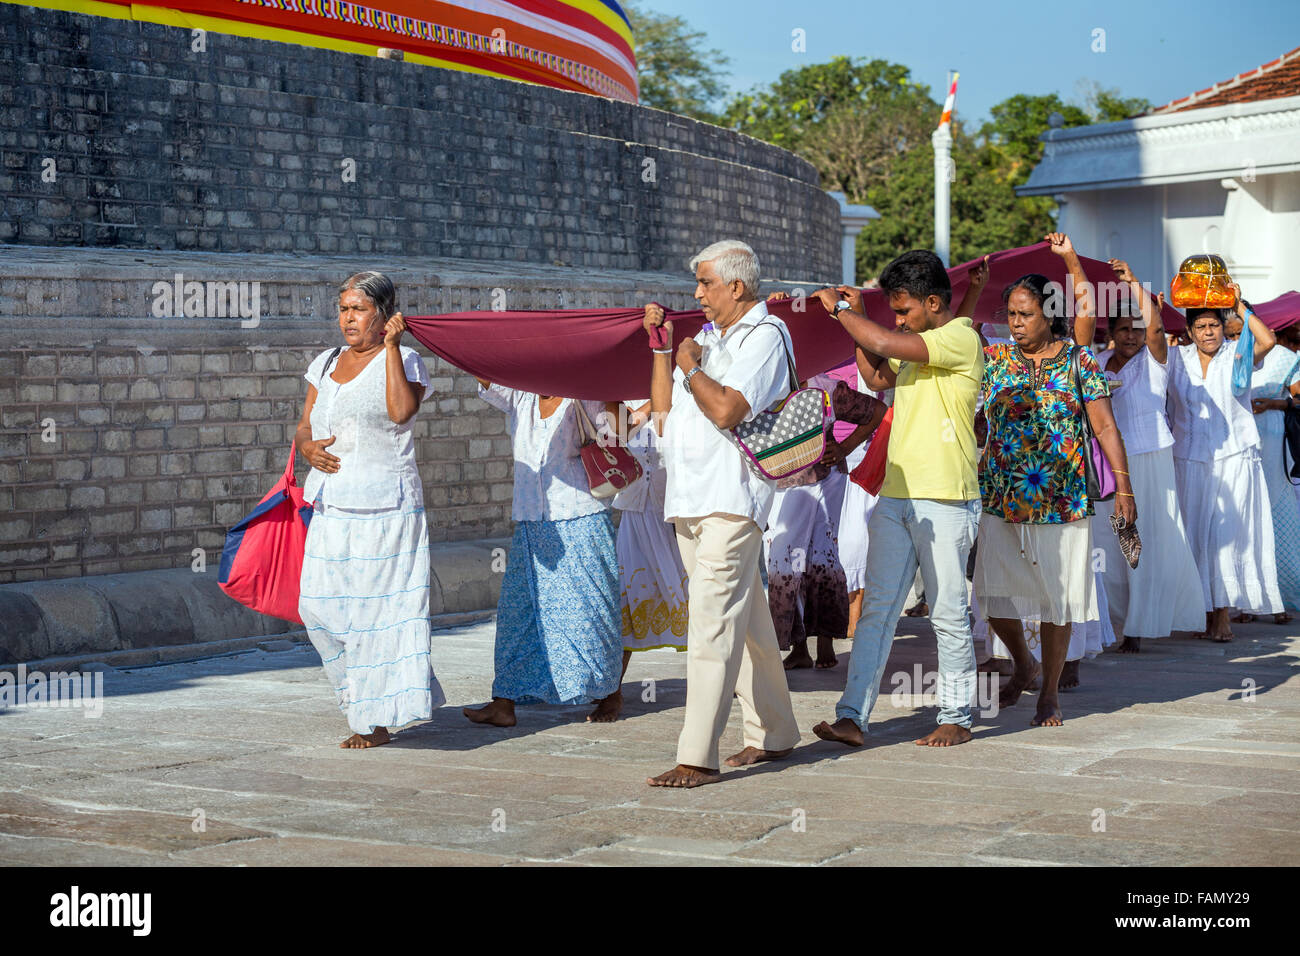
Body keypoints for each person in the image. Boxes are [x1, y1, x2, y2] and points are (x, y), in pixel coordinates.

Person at [643, 239, 802, 788]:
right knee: (749, 622)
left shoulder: (766, 336)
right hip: (692, 497)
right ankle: (775, 732)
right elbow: (663, 413)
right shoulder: (709, 339)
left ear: (736, 286)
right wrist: (666, 354)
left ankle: (696, 754)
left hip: (733, 501)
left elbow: (729, 408)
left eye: (706, 283)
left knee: (711, 624)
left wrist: (690, 366)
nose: (697, 294)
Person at [810, 249, 984, 750]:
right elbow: (877, 375)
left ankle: (956, 716)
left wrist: (843, 311)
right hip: (898, 495)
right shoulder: (922, 343)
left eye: (905, 309)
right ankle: (851, 718)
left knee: (948, 612)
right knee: (878, 610)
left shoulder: (959, 337)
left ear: (934, 302)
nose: (900, 319)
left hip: (946, 499)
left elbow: (883, 341)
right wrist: (857, 316)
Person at [973, 261, 1135, 728]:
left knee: (1057, 597)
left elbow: (1104, 426)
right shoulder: (996, 360)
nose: (1015, 322)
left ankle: (1048, 692)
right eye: (1011, 314)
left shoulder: (1079, 360)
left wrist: (1124, 487)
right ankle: (1023, 662)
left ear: (1049, 314)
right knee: (991, 595)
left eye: (1024, 314)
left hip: (1062, 497)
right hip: (1002, 492)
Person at [296, 271, 444, 749]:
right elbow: (303, 427)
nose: (348, 319)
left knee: (377, 615)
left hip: (387, 508)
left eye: (358, 309)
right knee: (316, 609)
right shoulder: (325, 363)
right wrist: (308, 450)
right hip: (332, 505)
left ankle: (374, 720)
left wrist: (395, 351)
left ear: (384, 315)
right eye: (343, 309)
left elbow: (401, 412)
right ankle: (362, 703)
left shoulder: (407, 360)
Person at [462, 382, 624, 725]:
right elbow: (485, 373)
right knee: (518, 612)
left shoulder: (586, 394)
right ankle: (503, 701)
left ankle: (609, 691)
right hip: (531, 522)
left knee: (590, 611)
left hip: (580, 516)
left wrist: (609, 384)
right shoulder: (521, 395)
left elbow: (616, 435)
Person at [1086, 262, 1207, 650]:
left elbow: (1157, 329)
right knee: (1106, 544)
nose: (1133, 336)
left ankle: (1140, 626)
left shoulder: (1155, 361)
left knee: (1144, 540)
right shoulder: (1098, 364)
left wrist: (1134, 284)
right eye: (1125, 329)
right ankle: (1115, 623)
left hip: (1151, 457)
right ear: (1111, 333)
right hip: (1107, 462)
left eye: (1137, 329)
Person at [1168, 287, 1282, 641]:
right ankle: (1199, 610)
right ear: (1189, 332)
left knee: (1225, 535)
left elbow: (1269, 339)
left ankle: (1222, 615)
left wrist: (1238, 307)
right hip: (1188, 458)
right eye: (1200, 326)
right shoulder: (1177, 359)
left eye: (1214, 325)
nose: (1208, 332)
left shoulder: (1237, 353)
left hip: (1235, 457)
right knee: (1195, 535)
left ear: (1223, 326)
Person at [612, 399, 688, 680]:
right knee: (628, 593)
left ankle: (729, 678)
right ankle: (614, 687)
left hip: (677, 508)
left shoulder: (675, 380)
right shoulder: (615, 391)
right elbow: (618, 434)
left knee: (698, 592)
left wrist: (651, 404)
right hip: (635, 509)